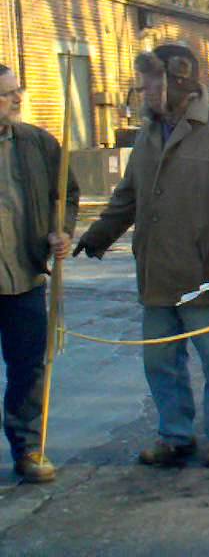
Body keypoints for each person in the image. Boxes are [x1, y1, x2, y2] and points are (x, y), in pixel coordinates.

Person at [75, 44, 209, 470]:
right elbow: (128, 196)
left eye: (151, 82)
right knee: (160, 360)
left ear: (179, 83)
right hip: (157, 272)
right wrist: (99, 235)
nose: (144, 91)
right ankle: (175, 436)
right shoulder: (147, 135)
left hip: (208, 273)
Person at [0, 64, 79, 483]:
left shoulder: (36, 143)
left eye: (18, 90)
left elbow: (66, 191)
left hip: (24, 277)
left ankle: (28, 448)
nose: (17, 99)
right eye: (6, 94)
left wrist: (61, 230)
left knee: (29, 369)